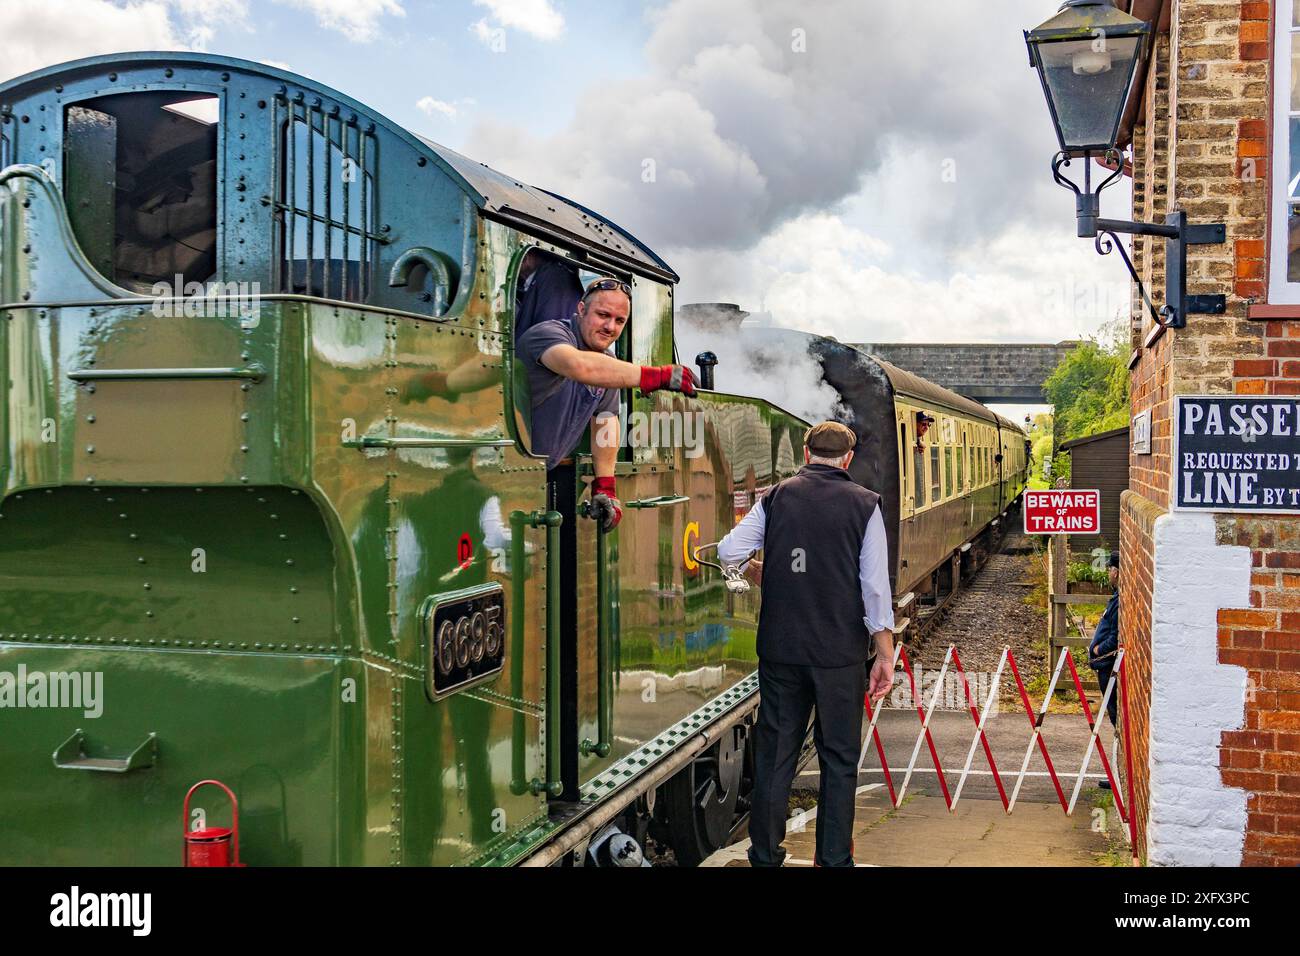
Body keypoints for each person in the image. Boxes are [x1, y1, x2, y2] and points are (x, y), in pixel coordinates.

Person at [717, 421, 895, 868]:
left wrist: (764, 570)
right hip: (839, 656)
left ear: (806, 451)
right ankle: (833, 859)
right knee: (838, 758)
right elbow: (874, 587)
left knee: (776, 755)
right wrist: (885, 653)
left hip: (780, 651)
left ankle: (764, 855)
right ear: (848, 458)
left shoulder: (776, 497)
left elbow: (728, 551)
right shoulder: (865, 505)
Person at [516, 276, 697, 531]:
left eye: (619, 321)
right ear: (581, 309)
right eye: (603, 315)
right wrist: (655, 376)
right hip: (505, 472)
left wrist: (605, 485)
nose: (610, 327)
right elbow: (578, 366)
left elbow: (606, 421)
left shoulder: (609, 363)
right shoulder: (548, 334)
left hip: (541, 476)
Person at [1088, 551, 1121, 727]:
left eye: (1109, 569)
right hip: (1106, 665)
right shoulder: (1117, 597)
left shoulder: (1119, 600)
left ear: (1115, 572)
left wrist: (1099, 650)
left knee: (1114, 711)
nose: (1108, 573)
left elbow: (1116, 635)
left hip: (1107, 664)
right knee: (1112, 708)